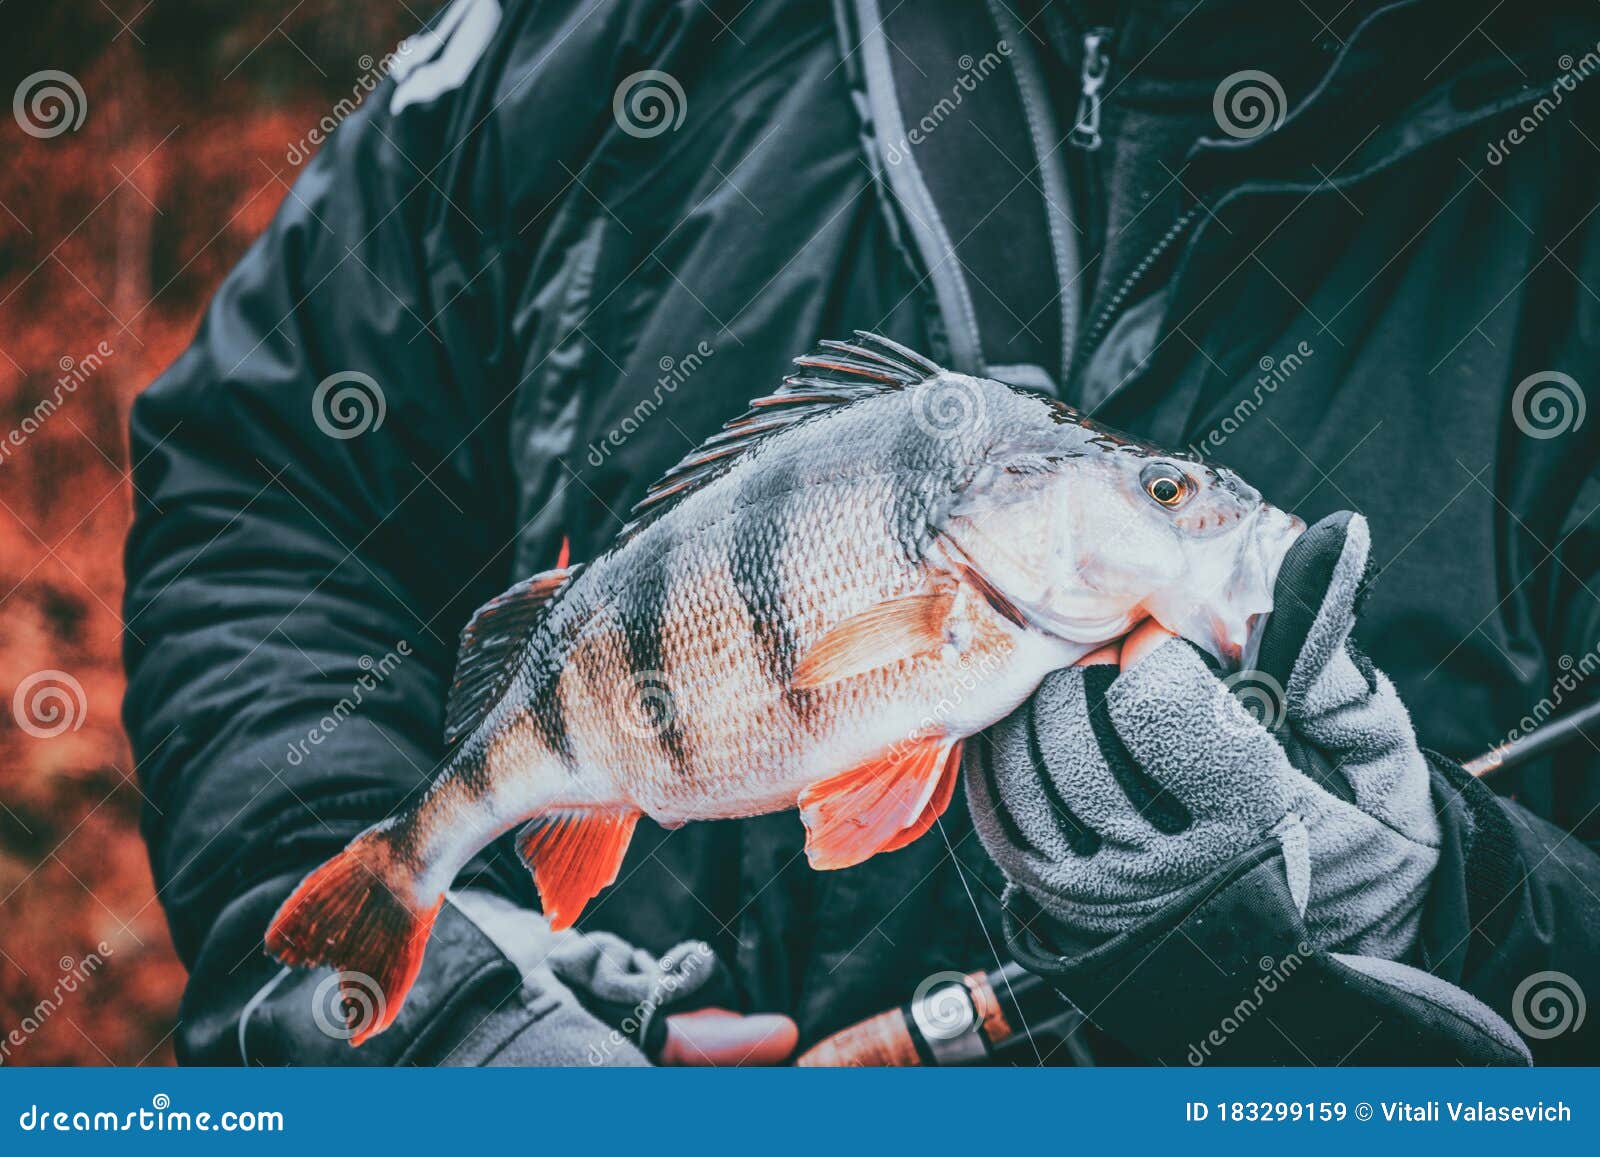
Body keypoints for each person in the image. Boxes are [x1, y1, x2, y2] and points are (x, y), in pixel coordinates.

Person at [124, 0, 1600, 1065]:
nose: (1190, 511)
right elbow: (271, 494)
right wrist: (440, 1016)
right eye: (1159, 489)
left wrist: (1444, 920)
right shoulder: (588, 36)